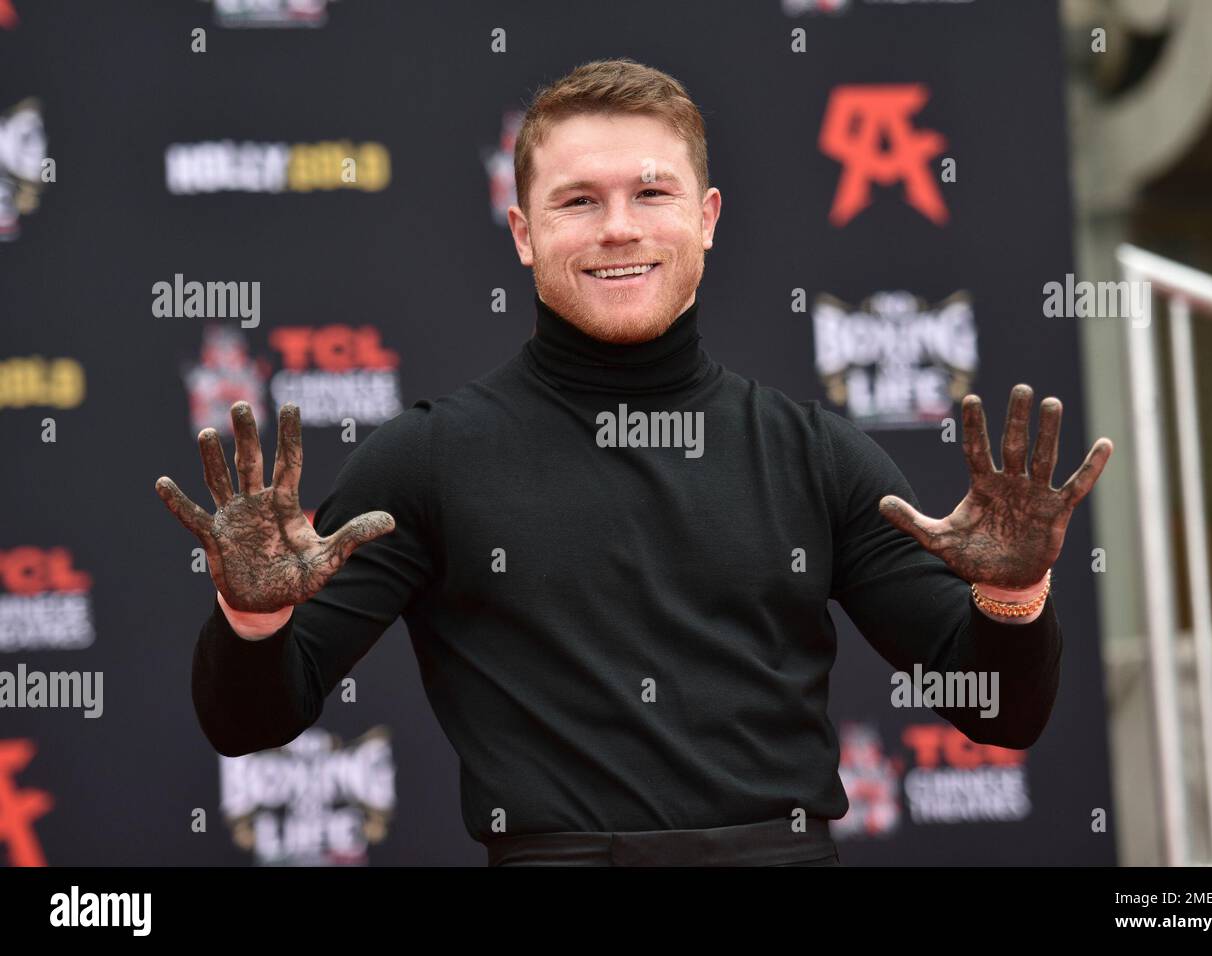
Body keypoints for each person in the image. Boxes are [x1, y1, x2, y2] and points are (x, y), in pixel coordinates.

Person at [154, 58, 1112, 867]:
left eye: (651, 192)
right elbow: (251, 723)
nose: (618, 227)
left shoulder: (815, 456)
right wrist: (251, 614)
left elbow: (1001, 715)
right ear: (525, 233)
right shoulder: (427, 462)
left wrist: (1014, 596)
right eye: (578, 201)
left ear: (706, 216)